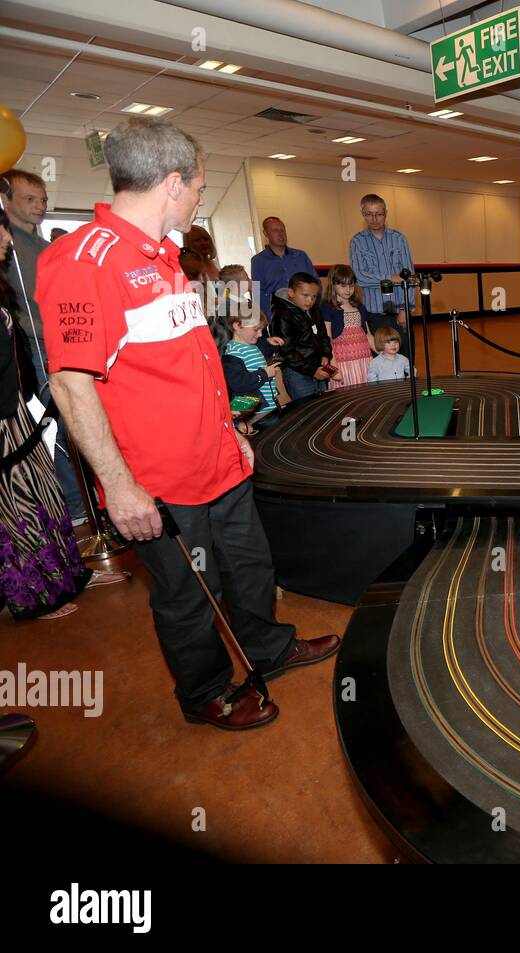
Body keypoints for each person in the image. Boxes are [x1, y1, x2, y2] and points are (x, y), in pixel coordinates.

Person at [38, 117, 338, 729]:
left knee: (251, 564)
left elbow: (197, 363)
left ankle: (270, 648)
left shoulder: (169, 257)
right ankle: (205, 692)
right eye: (200, 186)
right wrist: (119, 486)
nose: (202, 197)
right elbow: (71, 384)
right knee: (187, 596)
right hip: (159, 480)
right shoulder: (82, 261)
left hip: (219, 459)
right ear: (173, 184)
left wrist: (232, 435)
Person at [1, 207, 128, 620]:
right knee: (18, 511)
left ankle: (71, 574)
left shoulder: (3, 287)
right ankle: (37, 595)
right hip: (3, 424)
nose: (7, 242)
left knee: (48, 499)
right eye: (2, 233)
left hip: (19, 413)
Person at [1, 169, 85, 524]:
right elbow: (16, 311)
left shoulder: (44, 247)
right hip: (36, 352)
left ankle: (81, 501)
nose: (40, 206)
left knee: (73, 426)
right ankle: (74, 505)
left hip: (59, 347)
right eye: (30, 199)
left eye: (43, 199)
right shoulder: (9, 247)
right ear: (7, 201)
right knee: (53, 430)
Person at [348, 193, 412, 336]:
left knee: (405, 358)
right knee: (379, 358)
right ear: (362, 214)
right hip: (374, 315)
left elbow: (408, 277)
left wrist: (404, 310)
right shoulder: (357, 242)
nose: (374, 219)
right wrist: (389, 278)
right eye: (369, 214)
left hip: (399, 313)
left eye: (379, 214)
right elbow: (359, 277)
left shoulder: (399, 239)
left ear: (386, 213)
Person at [269, 272, 333, 400]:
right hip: (297, 373)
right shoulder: (282, 315)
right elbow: (286, 350)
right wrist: (311, 370)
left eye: (314, 297)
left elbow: (323, 337)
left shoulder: (315, 311)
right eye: (305, 295)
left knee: (323, 407)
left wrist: (325, 354)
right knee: (306, 410)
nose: (310, 301)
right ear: (291, 293)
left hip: (318, 368)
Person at [321, 264, 376, 389]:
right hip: (342, 363)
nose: (348, 290)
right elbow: (327, 339)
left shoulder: (360, 307)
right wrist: (333, 367)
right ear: (333, 285)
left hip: (365, 360)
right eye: (343, 285)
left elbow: (367, 334)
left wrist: (383, 353)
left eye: (351, 285)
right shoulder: (327, 307)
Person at [250, 216, 316, 319]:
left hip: (305, 314)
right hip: (278, 316)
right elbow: (258, 293)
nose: (280, 234)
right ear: (266, 233)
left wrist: (314, 310)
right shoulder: (258, 261)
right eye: (275, 230)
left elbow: (315, 283)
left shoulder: (301, 256)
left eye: (282, 230)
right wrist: (270, 318)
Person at [220, 310, 280, 417]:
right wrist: (265, 374)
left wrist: (268, 343)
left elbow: (255, 357)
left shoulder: (251, 346)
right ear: (237, 326)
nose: (260, 334)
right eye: (256, 330)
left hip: (267, 407)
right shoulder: (233, 353)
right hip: (254, 413)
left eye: (262, 330)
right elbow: (238, 383)